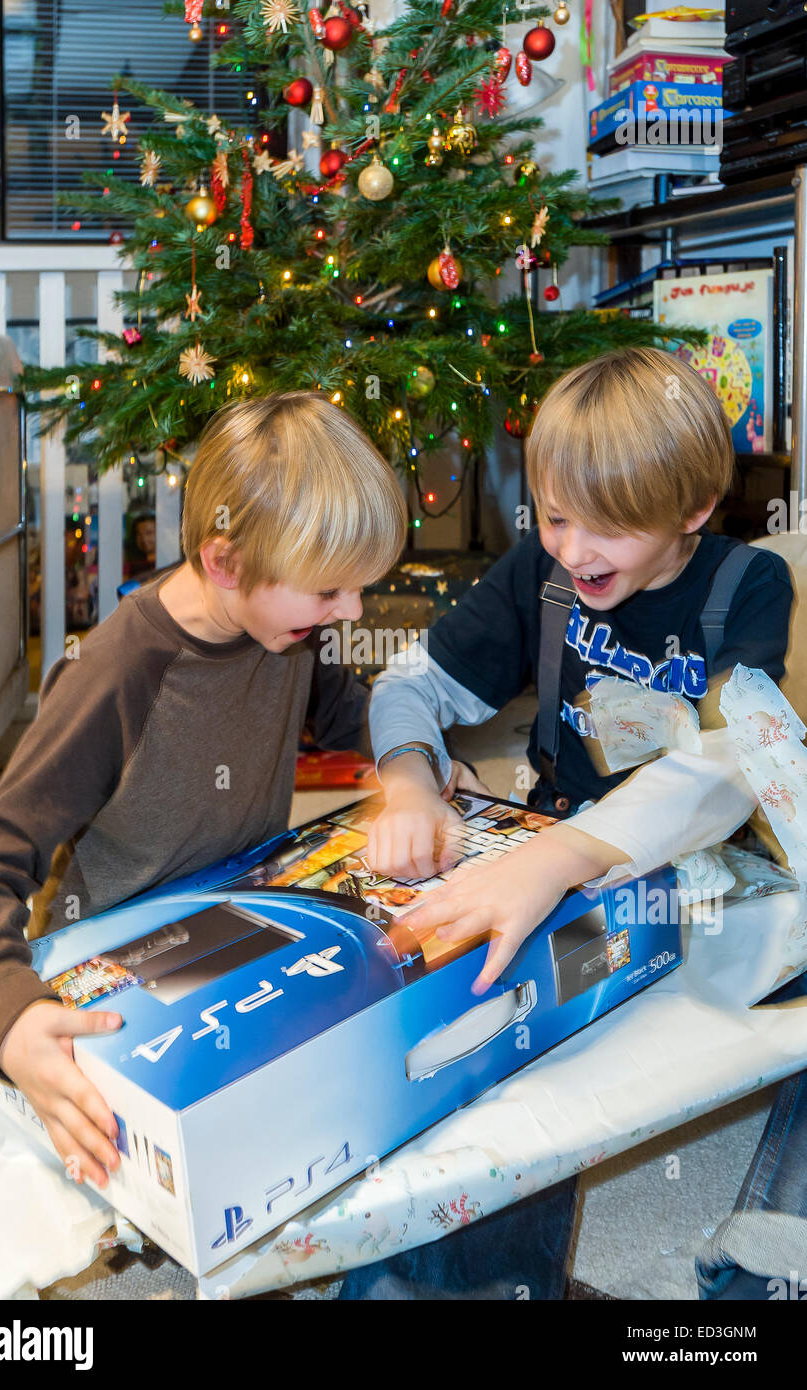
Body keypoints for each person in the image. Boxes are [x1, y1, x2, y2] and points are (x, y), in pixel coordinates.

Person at [339, 346, 794, 1300]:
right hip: (552, 861)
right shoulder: (536, 578)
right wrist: (413, 781)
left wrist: (562, 855)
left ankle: (768, 1255)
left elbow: (724, 765)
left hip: (702, 877)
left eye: (610, 530)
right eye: (553, 517)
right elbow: (411, 687)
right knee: (477, 1002)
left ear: (694, 513)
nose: (574, 550)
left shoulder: (748, 586)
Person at [0, 390, 423, 1191]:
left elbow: (349, 710)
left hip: (250, 915)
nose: (353, 611)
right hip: (130, 962)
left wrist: (416, 765)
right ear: (226, 562)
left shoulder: (286, 632)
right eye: (329, 593)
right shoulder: (120, 673)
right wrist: (6, 1012)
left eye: (357, 589)